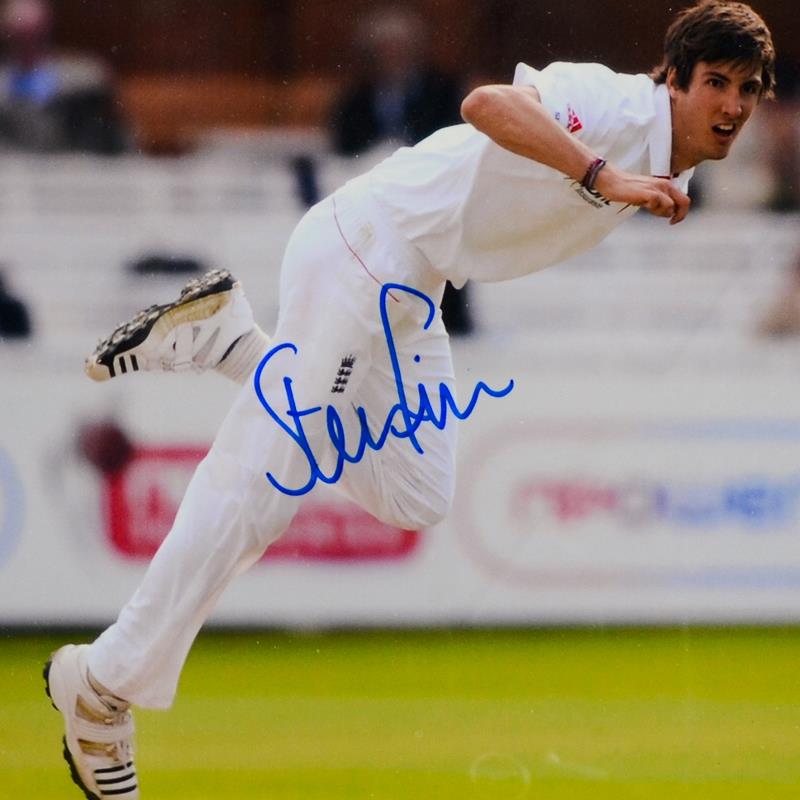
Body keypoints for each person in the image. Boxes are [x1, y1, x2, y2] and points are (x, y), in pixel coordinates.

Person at [44, 2, 774, 797]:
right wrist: (603, 174)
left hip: (415, 282)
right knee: (261, 483)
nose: (733, 105)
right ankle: (103, 689)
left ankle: (229, 342)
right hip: (370, 241)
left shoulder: (676, 158)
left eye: (748, 88)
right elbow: (486, 105)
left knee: (417, 492)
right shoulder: (617, 105)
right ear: (671, 79)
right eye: (715, 83)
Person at [330, 4, 474, 335]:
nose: (392, 56)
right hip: (376, 204)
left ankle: (449, 321)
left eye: (399, 48)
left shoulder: (443, 90)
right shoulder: (356, 97)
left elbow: (457, 136)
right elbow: (342, 145)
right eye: (384, 49)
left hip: (431, 200)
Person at [0, 0, 128, 154]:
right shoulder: (4, 83)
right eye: (19, 39)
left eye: (35, 38)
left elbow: (116, 139)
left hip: (78, 169)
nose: (28, 46)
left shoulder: (87, 78)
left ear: (47, 30)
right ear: (6, 35)